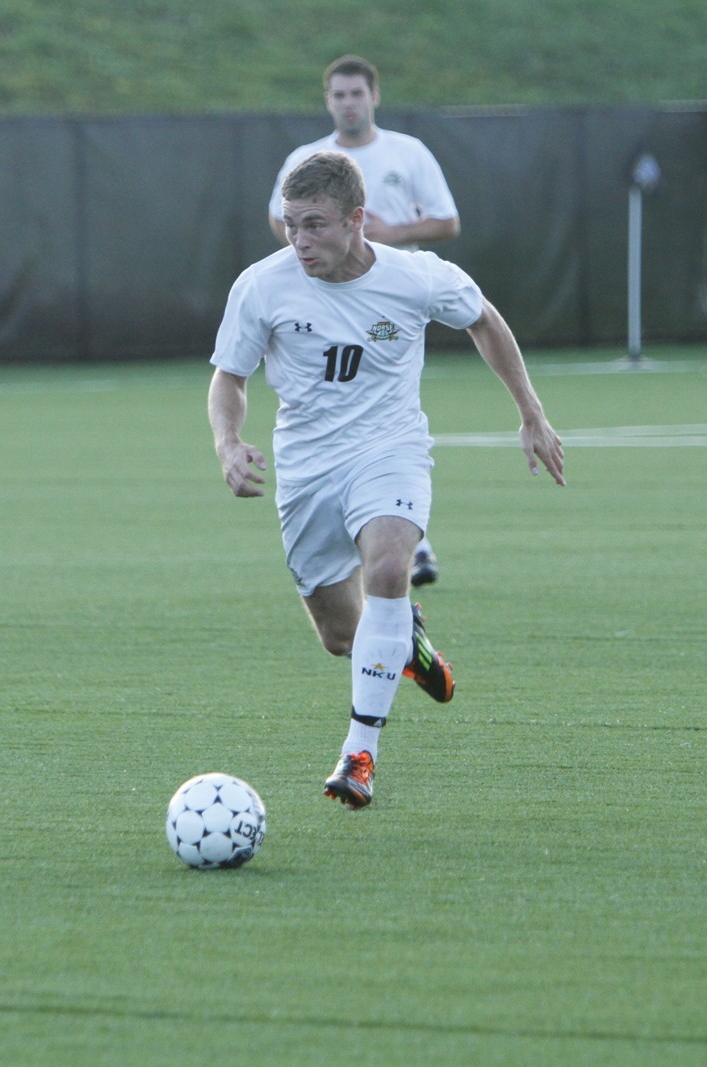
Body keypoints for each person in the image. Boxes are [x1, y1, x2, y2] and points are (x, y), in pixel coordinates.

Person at [211, 151, 563, 809]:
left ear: (356, 219)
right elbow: (229, 377)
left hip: (388, 449)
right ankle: (406, 641)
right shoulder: (262, 286)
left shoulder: (415, 276)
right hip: (307, 469)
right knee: (342, 637)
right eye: (290, 224)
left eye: (314, 225)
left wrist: (531, 413)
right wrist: (228, 442)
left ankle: (359, 753)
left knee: (391, 566)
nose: (299, 240)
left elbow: (484, 319)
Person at [267, 54, 461, 587]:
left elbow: (447, 221)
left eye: (356, 93)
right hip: (326, 307)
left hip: (390, 305)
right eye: (339, 95)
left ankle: (404, 536)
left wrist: (390, 235)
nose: (348, 103)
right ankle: (368, 536)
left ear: (374, 96)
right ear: (327, 100)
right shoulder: (307, 159)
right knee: (340, 407)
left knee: (386, 410)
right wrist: (315, 244)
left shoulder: (407, 152)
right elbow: (278, 218)